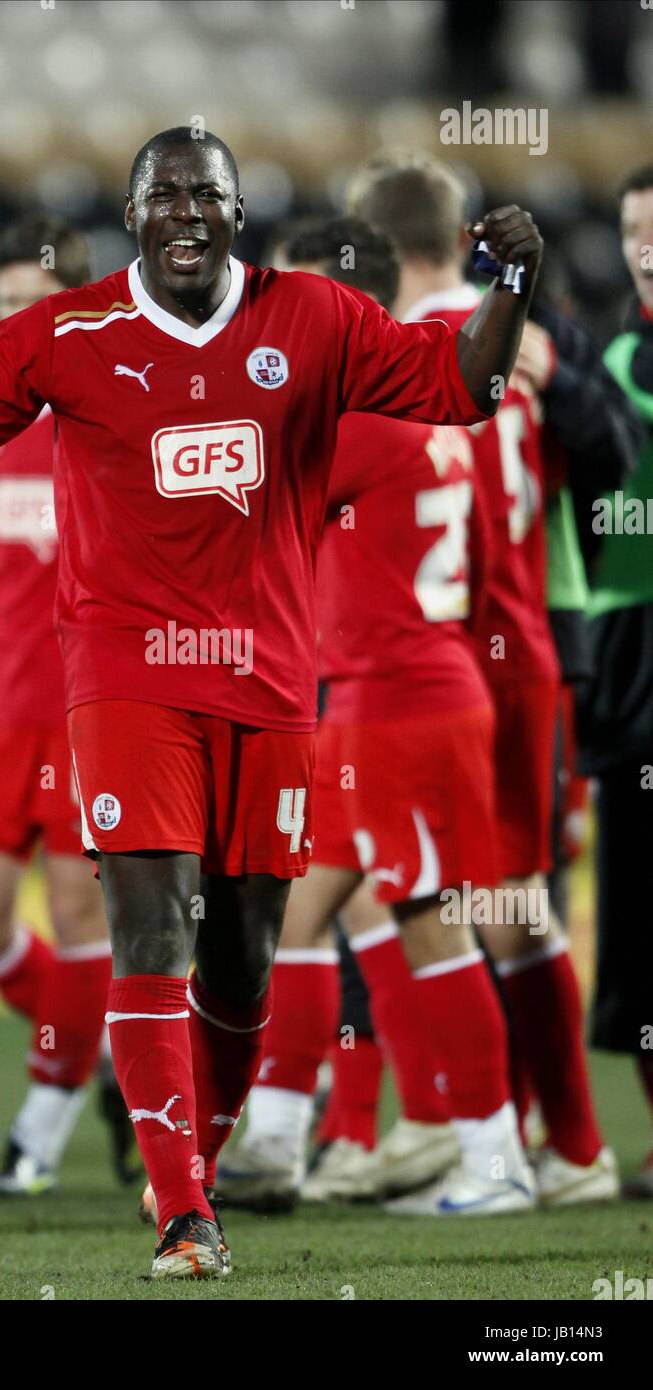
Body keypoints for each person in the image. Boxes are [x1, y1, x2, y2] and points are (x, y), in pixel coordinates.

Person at [0, 126, 540, 1278]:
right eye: (162, 194)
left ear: (235, 212)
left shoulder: (314, 320)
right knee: (150, 923)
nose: (184, 211)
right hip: (124, 675)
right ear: (131, 218)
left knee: (239, 967)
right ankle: (185, 1211)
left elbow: (458, 387)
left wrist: (507, 285)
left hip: (269, 685)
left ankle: (206, 1157)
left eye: (206, 194)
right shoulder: (65, 332)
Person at [219, 214, 535, 1217]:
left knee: (428, 924)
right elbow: (483, 568)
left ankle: (496, 1164)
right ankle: (271, 1139)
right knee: (302, 908)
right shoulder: (437, 416)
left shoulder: (351, 422)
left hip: (395, 703)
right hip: (401, 695)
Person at [346, 153, 615, 1206]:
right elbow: (614, 463)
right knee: (494, 901)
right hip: (514, 647)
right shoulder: (530, 338)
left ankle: (522, 1144)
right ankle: (525, 1139)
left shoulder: (397, 355)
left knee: (458, 901)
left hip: (441, 654)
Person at [0, 214, 131, 1195]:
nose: (11, 320)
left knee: (79, 912)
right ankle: (112, 1053)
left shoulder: (116, 410)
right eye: (0, 304)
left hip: (89, 713)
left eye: (29, 304)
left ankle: (37, 1135)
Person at [578, 164, 653, 1198]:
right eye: (634, 229)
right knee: (638, 923)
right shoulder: (611, 362)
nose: (645, 246)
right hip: (634, 687)